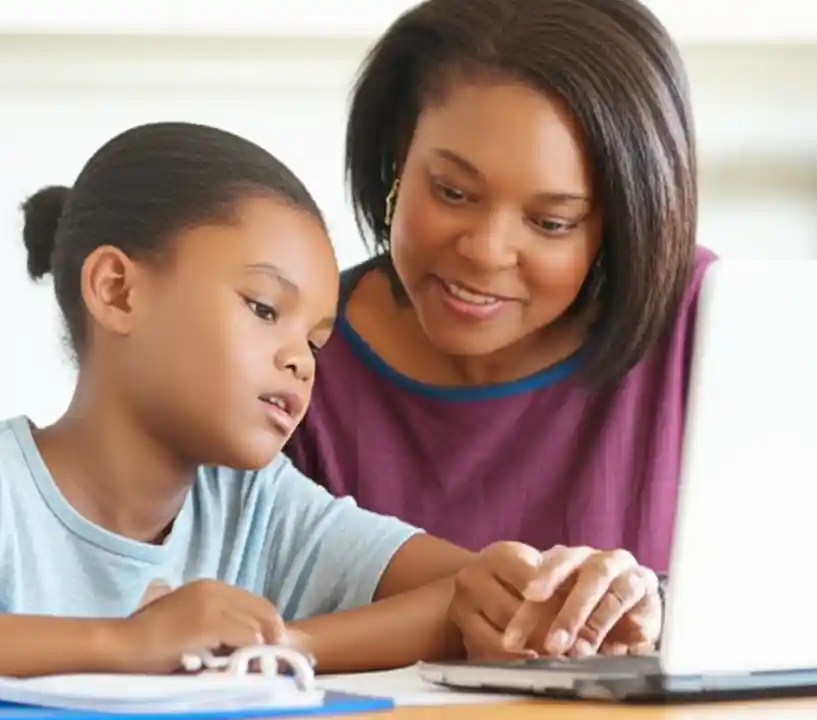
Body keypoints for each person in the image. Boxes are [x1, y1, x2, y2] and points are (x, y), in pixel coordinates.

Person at [0, 121, 660, 675]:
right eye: (262, 309)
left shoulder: (259, 504)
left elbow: (470, 586)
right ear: (117, 291)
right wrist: (123, 648)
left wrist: (288, 646)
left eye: (316, 339)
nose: (301, 362)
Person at [286, 0, 716, 656]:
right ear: (399, 154)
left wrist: (658, 605)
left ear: (618, 225)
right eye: (453, 192)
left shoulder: (703, 326)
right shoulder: (287, 352)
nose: (486, 251)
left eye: (551, 222)